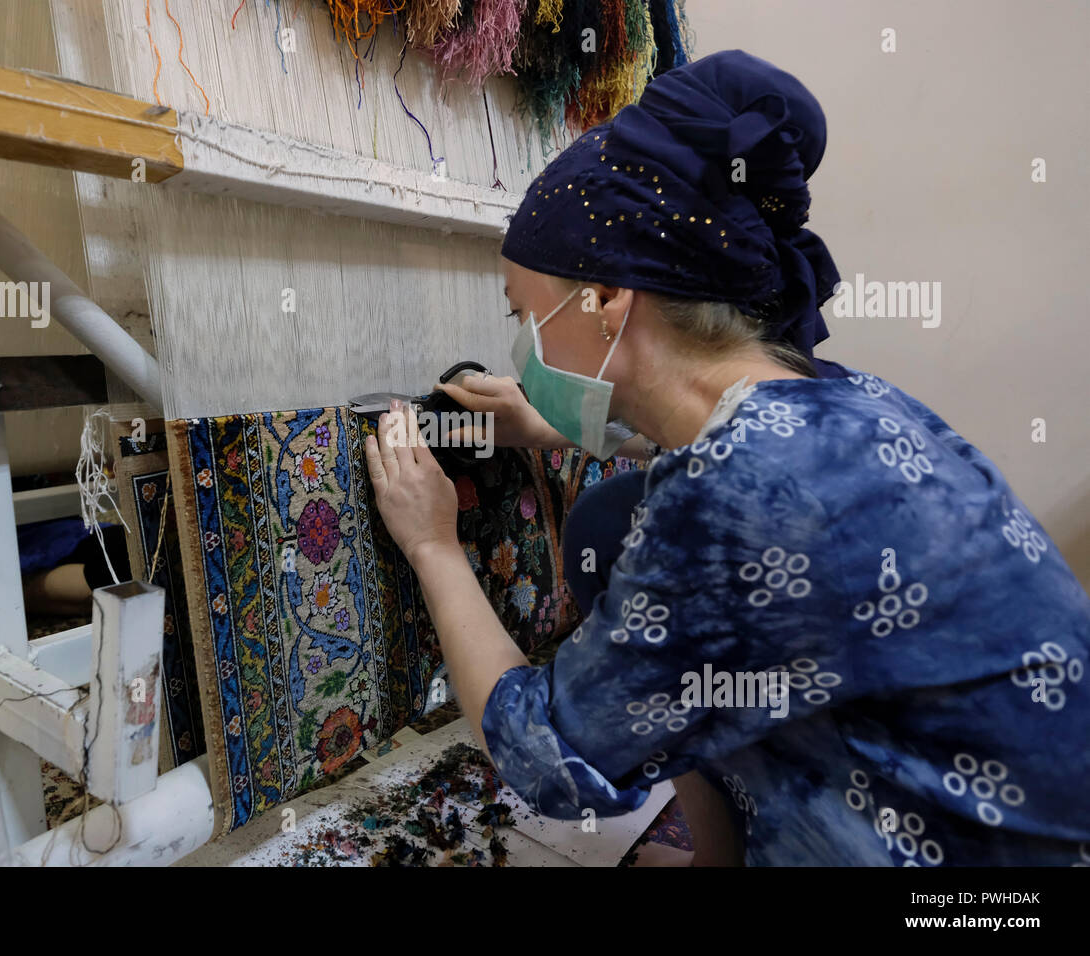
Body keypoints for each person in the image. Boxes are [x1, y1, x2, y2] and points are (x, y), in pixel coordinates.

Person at [363, 50, 1090, 866]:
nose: (521, 345)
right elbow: (758, 473)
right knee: (612, 517)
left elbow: (546, 761)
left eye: (522, 312)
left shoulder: (730, 497)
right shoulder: (845, 400)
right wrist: (563, 423)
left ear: (604, 301)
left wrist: (435, 546)